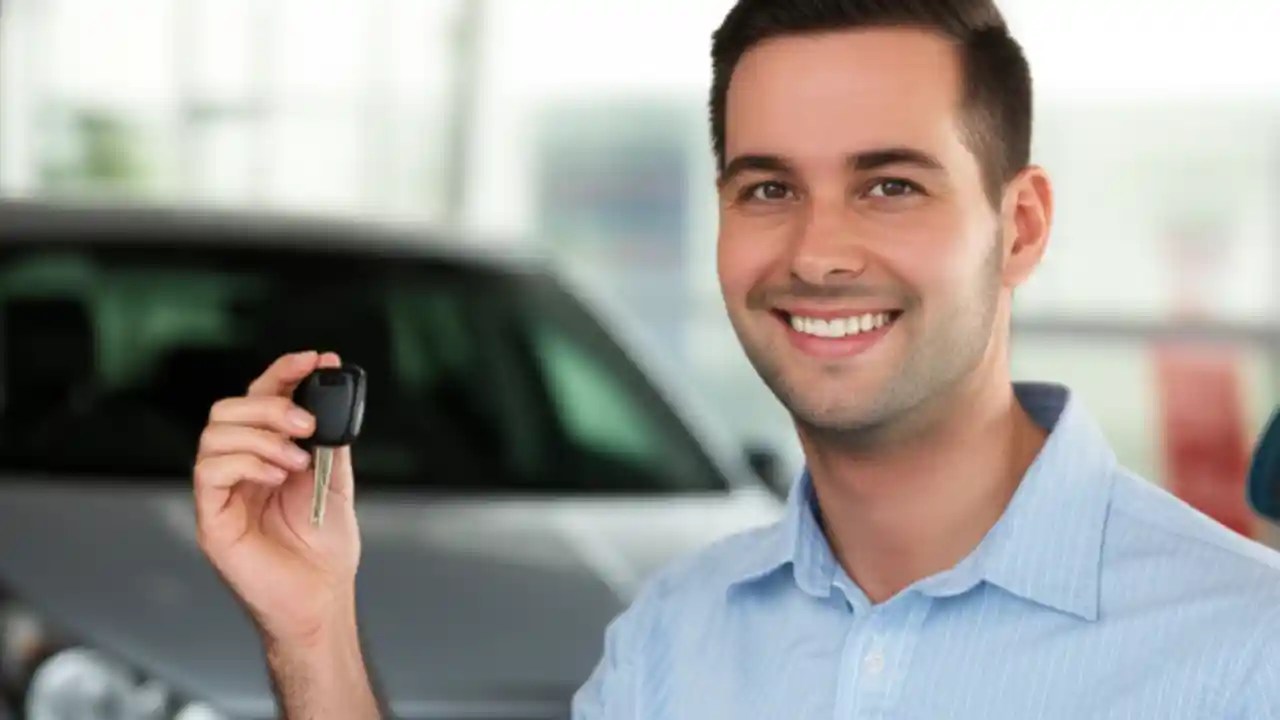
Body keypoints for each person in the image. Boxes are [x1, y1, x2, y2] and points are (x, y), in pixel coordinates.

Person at [192, 1, 1280, 717]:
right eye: (767, 189)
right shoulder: (674, 638)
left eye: (888, 185)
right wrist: (313, 632)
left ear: (1022, 226)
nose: (816, 251)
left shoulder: (1243, 651)